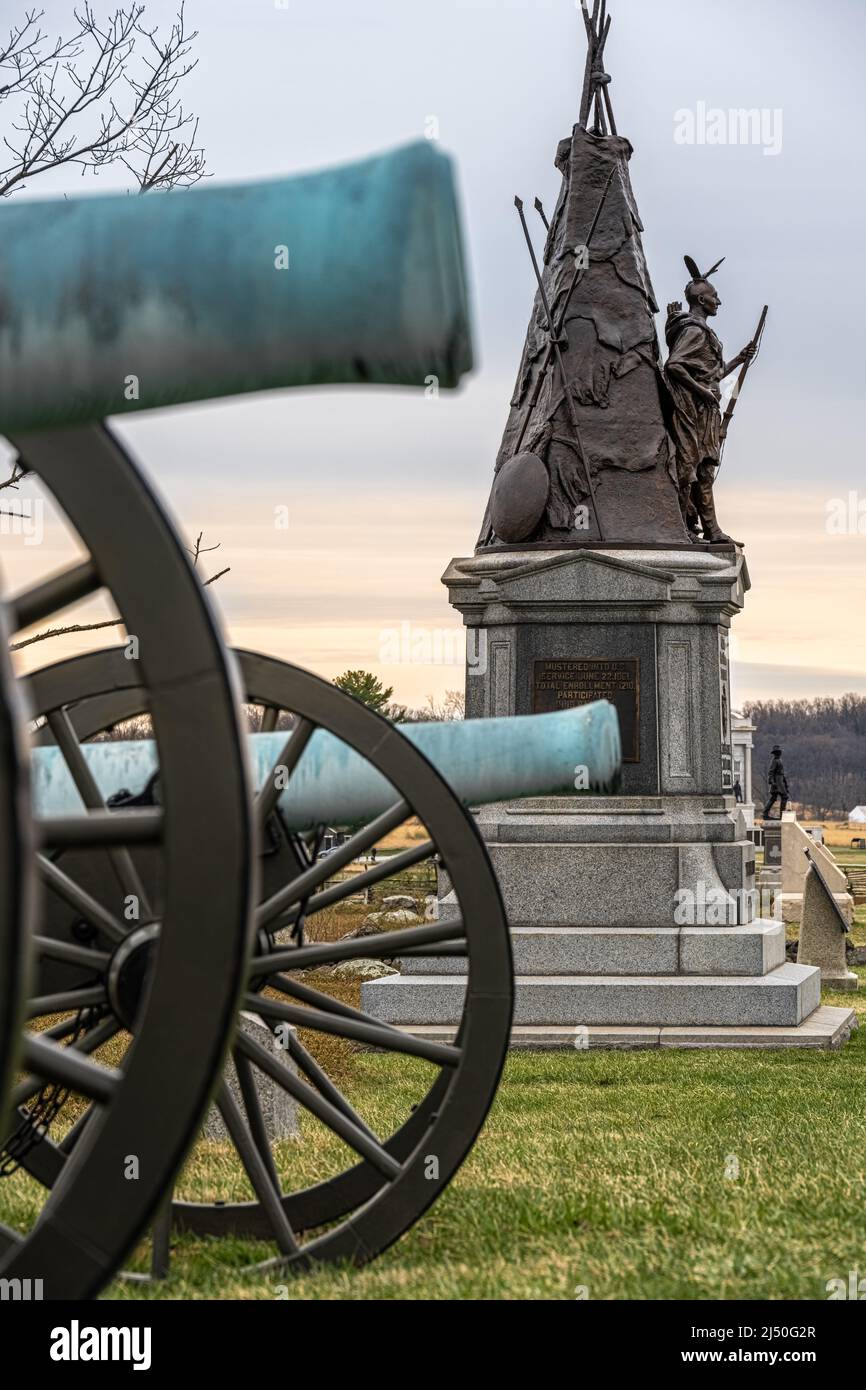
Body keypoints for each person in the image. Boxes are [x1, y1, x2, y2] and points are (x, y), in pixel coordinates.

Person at [664, 257, 756, 543]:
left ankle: (712, 530)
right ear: (702, 299)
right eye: (715, 297)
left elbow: (711, 374)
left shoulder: (703, 331)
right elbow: (674, 366)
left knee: (704, 470)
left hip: (705, 411)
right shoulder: (694, 330)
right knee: (687, 468)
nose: (719, 302)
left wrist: (739, 360)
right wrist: (702, 391)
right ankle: (681, 529)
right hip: (691, 410)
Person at [762, 744, 789, 820]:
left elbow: (782, 774)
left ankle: (778, 814)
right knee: (782, 797)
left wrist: (785, 784)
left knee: (775, 797)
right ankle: (766, 813)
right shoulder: (774, 761)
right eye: (777, 752)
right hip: (777, 782)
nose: (779, 753)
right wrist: (772, 782)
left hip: (780, 781)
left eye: (779, 752)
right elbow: (771, 772)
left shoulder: (779, 760)